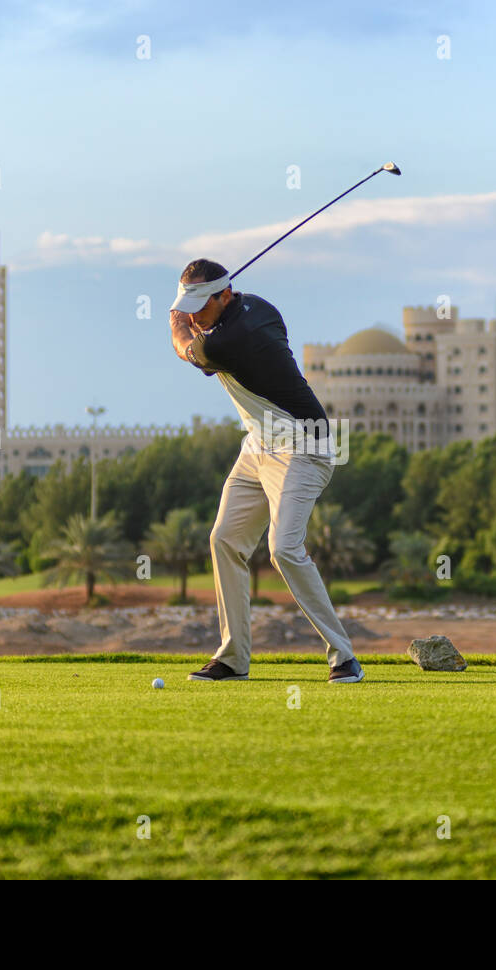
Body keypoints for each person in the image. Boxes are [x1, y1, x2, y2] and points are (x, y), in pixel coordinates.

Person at [169, 258, 364, 684]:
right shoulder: (254, 308)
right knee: (224, 540)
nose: (195, 314)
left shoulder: (235, 336)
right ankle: (233, 659)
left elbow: (187, 348)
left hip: (303, 445)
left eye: (202, 305)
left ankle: (343, 657)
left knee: (283, 548)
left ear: (225, 295)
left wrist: (177, 321)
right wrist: (194, 316)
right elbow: (204, 333)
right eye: (190, 305)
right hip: (259, 445)